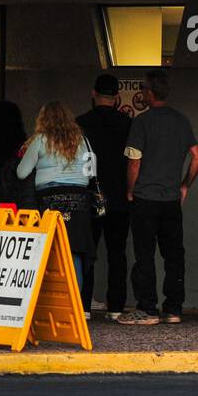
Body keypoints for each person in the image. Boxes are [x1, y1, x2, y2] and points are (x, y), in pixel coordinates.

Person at [118, 70, 198, 326]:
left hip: (145, 197)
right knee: (174, 255)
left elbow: (134, 161)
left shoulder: (142, 122)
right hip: (170, 200)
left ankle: (148, 309)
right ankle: (173, 308)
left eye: (143, 89)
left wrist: (130, 190)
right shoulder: (181, 121)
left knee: (144, 254)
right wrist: (184, 186)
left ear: (149, 92)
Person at [17, 101, 97, 299]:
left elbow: (21, 173)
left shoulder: (40, 140)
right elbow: (91, 173)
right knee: (75, 252)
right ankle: (74, 302)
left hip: (49, 202)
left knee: (49, 251)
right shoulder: (83, 141)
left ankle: (50, 300)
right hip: (79, 202)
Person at [77, 74, 133, 320]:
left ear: (93, 93)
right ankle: (116, 307)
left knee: (88, 252)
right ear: (117, 97)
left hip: (89, 196)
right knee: (117, 253)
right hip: (120, 198)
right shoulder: (127, 123)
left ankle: (84, 305)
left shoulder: (81, 123)